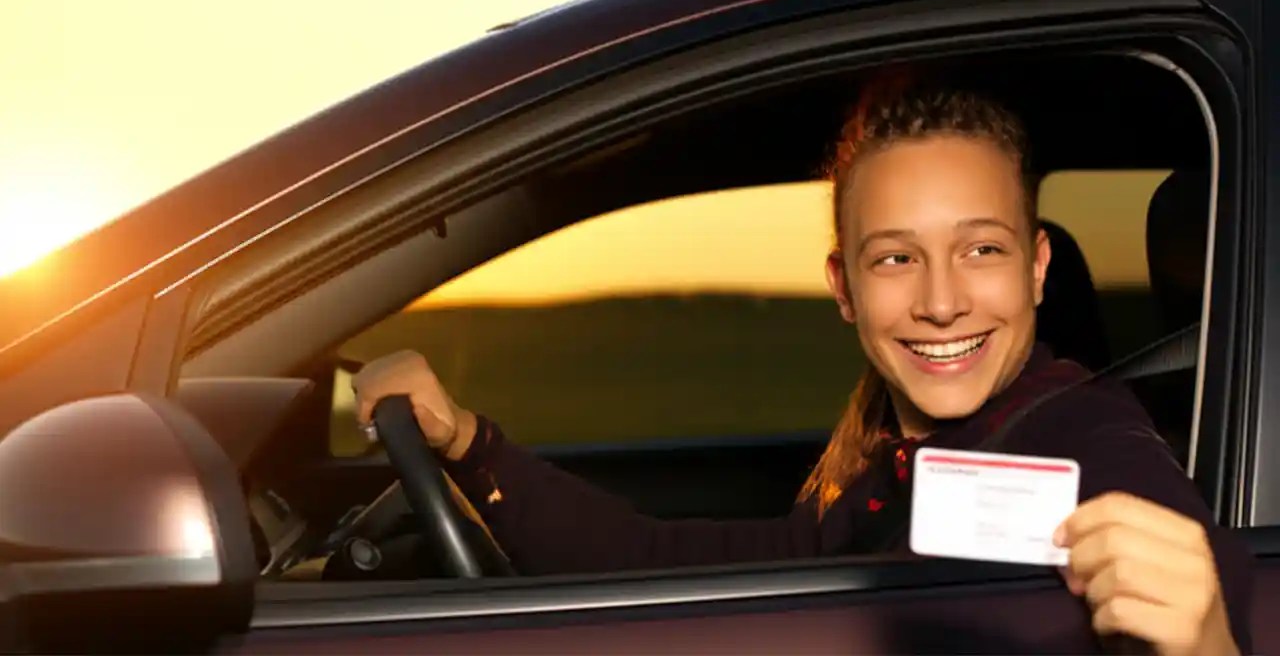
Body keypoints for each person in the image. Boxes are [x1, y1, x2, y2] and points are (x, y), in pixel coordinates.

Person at [353, 73, 1253, 654]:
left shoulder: (1083, 437)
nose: (942, 301)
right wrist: (468, 443)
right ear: (845, 287)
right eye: (896, 258)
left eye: (982, 250)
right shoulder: (884, 466)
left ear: (1039, 266)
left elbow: (1194, 567)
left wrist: (1210, 640)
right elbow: (663, 558)